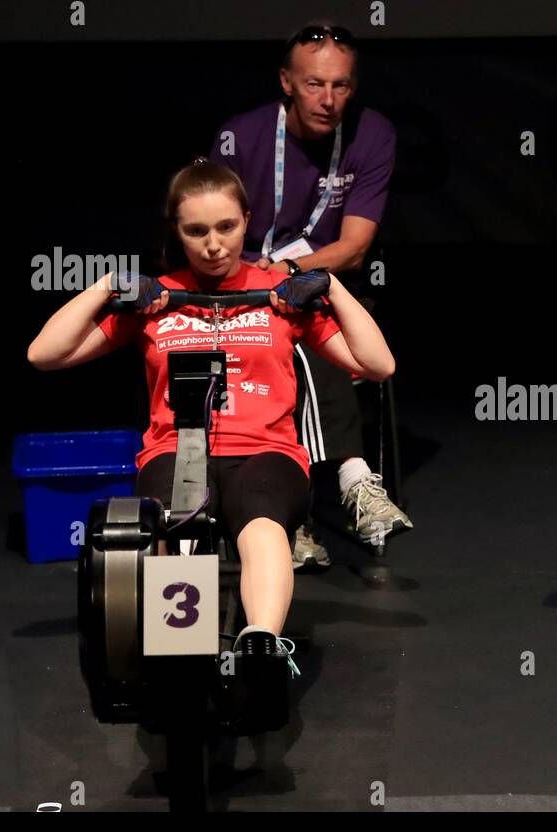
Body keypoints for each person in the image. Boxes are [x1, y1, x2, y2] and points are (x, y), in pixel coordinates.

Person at [27, 160, 395, 671]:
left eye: (226, 226)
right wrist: (108, 286)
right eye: (195, 231)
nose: (213, 244)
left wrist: (330, 287)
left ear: (246, 219)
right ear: (176, 231)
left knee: (262, 525)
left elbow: (379, 365)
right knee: (179, 534)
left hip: (267, 452)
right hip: (176, 450)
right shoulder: (156, 301)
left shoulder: (279, 298)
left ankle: (260, 644)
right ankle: (184, 656)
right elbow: (43, 354)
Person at [210, 22, 411, 571]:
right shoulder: (239, 136)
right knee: (283, 325)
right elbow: (211, 230)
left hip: (319, 281)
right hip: (239, 287)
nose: (328, 100)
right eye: (314, 84)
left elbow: (354, 246)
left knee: (303, 312)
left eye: (341, 86)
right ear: (287, 82)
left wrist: (291, 269)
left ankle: (288, 513)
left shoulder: (373, 135)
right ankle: (349, 477)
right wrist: (258, 277)